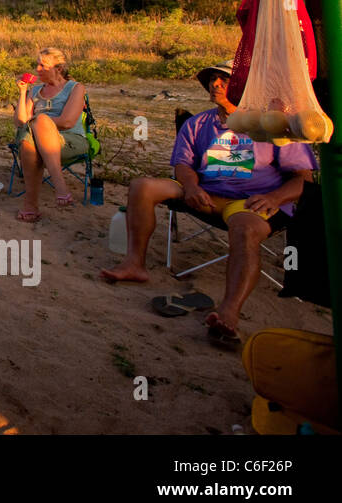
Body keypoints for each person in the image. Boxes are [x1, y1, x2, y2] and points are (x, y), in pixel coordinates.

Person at [101, 63, 316, 345]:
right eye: (212, 80)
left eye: (224, 80)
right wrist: (190, 186)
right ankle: (134, 264)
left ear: (244, 87)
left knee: (244, 228)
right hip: (205, 194)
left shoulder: (271, 124)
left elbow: (304, 179)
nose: (215, 84)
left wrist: (274, 198)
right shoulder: (197, 124)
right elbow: (183, 164)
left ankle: (228, 312)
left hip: (252, 202)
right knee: (142, 186)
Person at [13, 47, 86, 221]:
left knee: (40, 122)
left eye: (43, 66)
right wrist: (23, 92)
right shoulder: (35, 90)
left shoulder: (75, 88)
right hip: (35, 140)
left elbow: (67, 122)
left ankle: (53, 190)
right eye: (37, 65)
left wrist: (40, 123)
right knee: (28, 138)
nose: (37, 69)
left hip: (68, 139)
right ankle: (36, 204)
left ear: (58, 68)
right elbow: (21, 122)